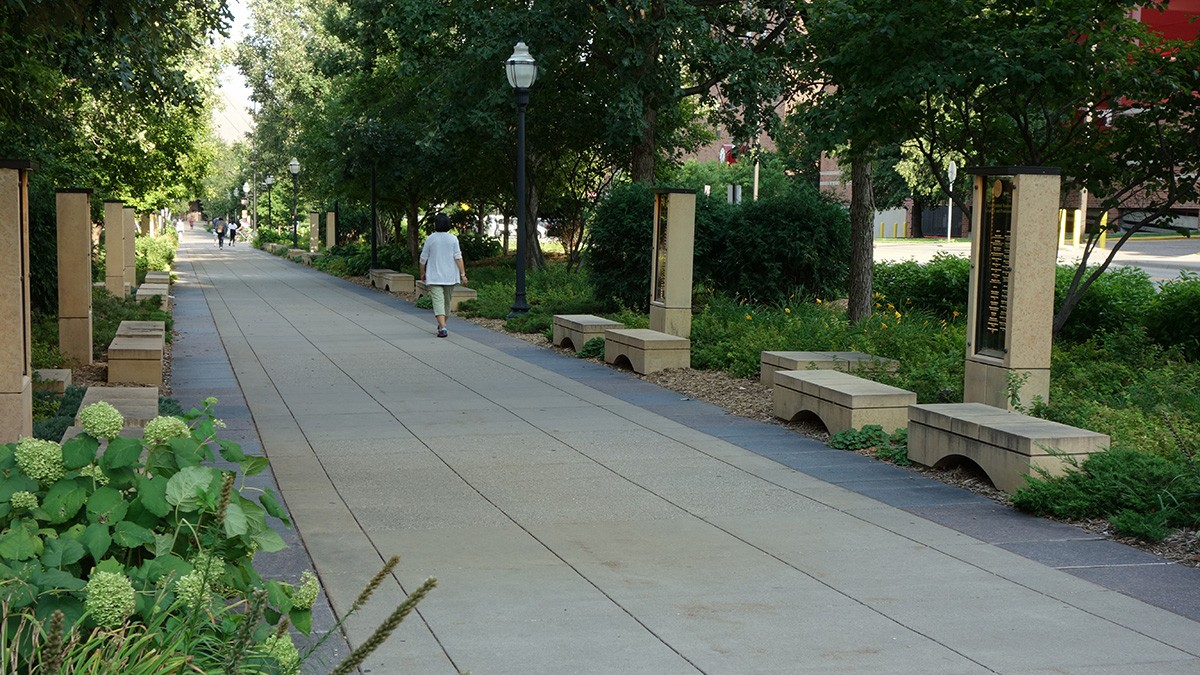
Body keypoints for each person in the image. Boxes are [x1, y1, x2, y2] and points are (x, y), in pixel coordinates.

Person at [419, 212, 467, 338]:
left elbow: (423, 258)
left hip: (434, 276)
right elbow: (458, 257)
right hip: (450, 276)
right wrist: (463, 274)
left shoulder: (430, 239)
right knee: (446, 302)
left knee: (438, 301)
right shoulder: (453, 239)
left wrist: (422, 273)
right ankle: (443, 326)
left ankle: (442, 326)